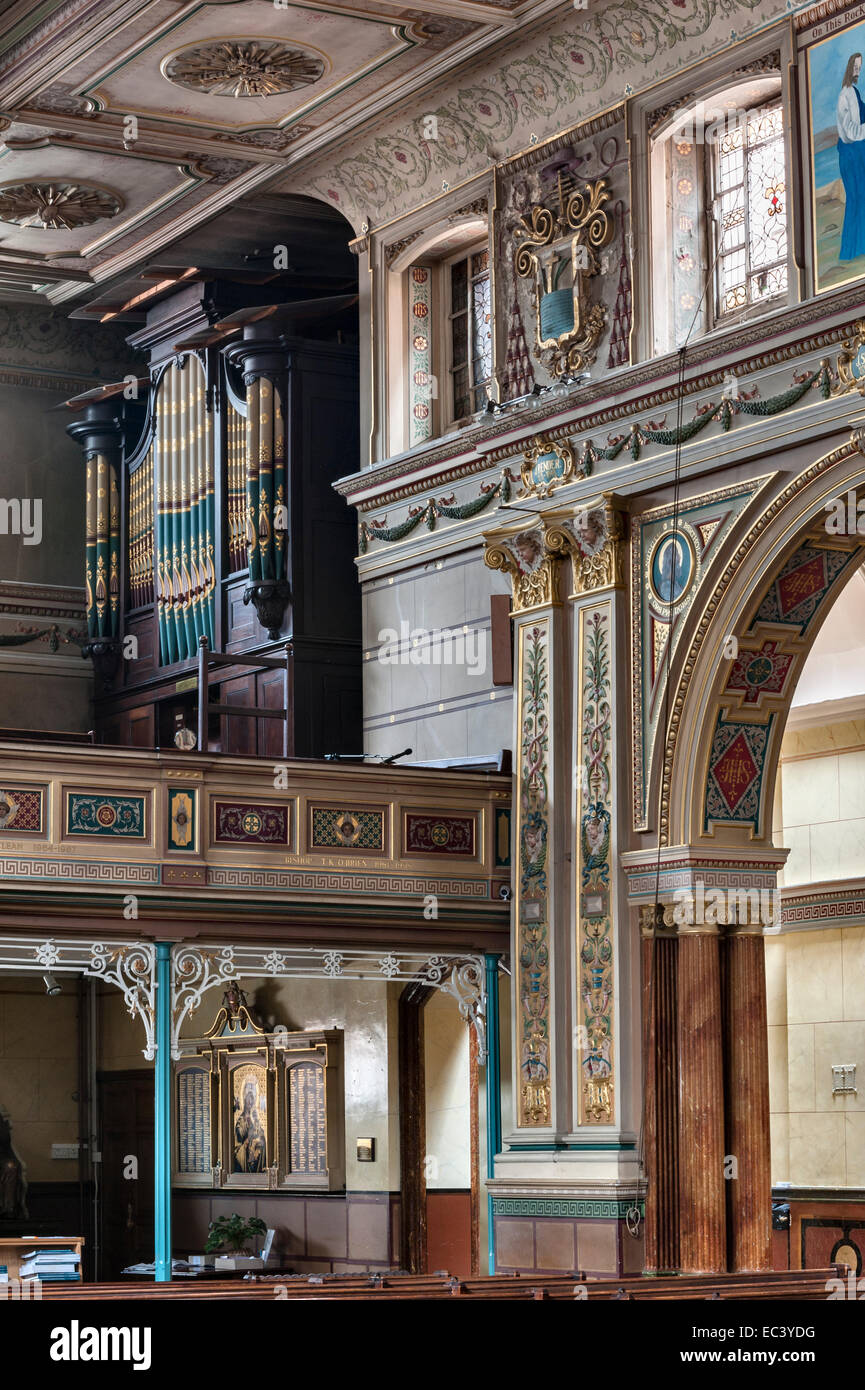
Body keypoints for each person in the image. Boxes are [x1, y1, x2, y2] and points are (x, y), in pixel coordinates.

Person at [836, 53, 865, 261]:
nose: (858, 70)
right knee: (856, 199)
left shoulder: (854, 92)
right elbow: (850, 130)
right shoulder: (845, 95)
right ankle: (850, 251)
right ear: (849, 67)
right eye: (855, 66)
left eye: (860, 66)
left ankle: (859, 246)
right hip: (851, 155)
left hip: (858, 153)